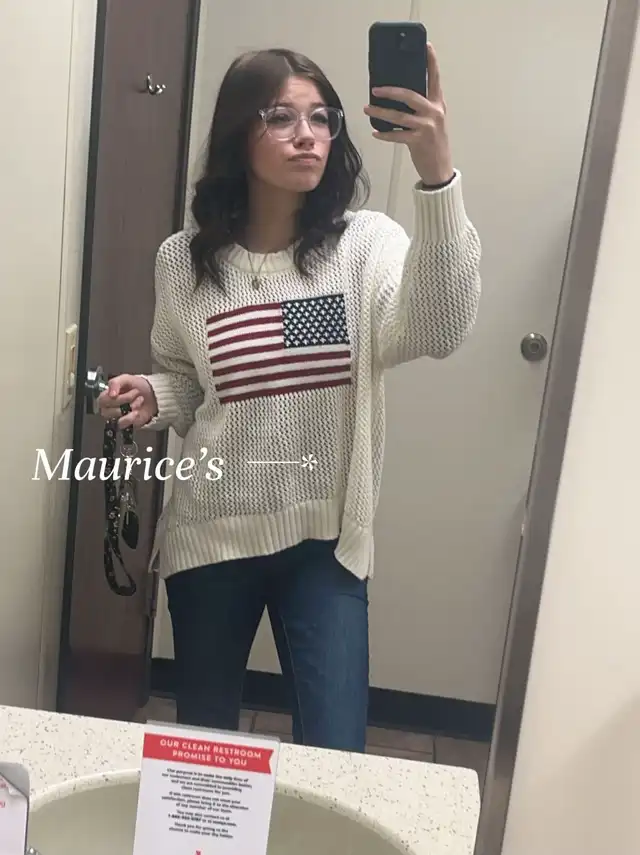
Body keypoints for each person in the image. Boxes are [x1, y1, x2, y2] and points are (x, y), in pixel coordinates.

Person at [98, 45, 481, 752]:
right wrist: (153, 394)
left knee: (336, 754)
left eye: (321, 118)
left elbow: (440, 326)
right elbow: (188, 379)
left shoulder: (364, 247)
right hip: (210, 532)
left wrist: (436, 175)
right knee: (206, 755)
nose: (308, 135)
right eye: (281, 117)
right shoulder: (182, 260)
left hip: (325, 545)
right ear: (237, 133)